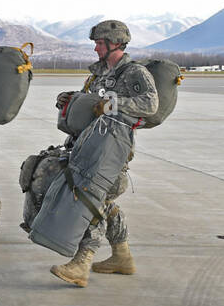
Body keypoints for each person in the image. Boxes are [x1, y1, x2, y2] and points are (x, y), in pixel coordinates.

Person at [49, 19, 158, 287]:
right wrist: (70, 98)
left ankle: (81, 263)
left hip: (111, 150)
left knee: (91, 200)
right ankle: (122, 257)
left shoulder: (134, 72)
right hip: (87, 146)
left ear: (116, 44)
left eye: (99, 43)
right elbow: (91, 100)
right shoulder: (99, 74)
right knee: (103, 202)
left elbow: (151, 103)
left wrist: (110, 104)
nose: (95, 48)